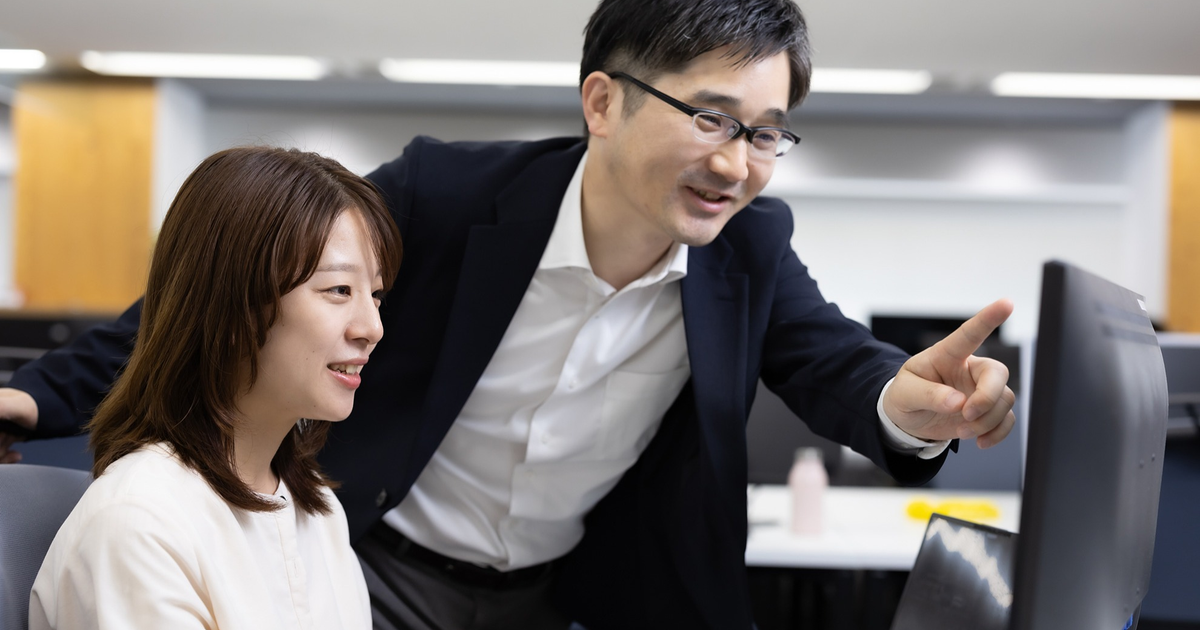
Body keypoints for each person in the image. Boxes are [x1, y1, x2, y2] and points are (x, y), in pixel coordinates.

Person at [1, 0, 1016, 628]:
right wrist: (35, 396)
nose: (735, 161)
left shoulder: (748, 247)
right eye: (710, 117)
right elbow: (230, 286)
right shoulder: (449, 194)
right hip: (379, 562)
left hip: (560, 591)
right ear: (603, 102)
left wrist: (903, 405)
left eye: (765, 133)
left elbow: (834, 362)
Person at [26, 146, 403, 630]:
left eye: (375, 294)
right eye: (339, 290)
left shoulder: (318, 510)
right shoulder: (139, 524)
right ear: (231, 303)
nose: (372, 328)